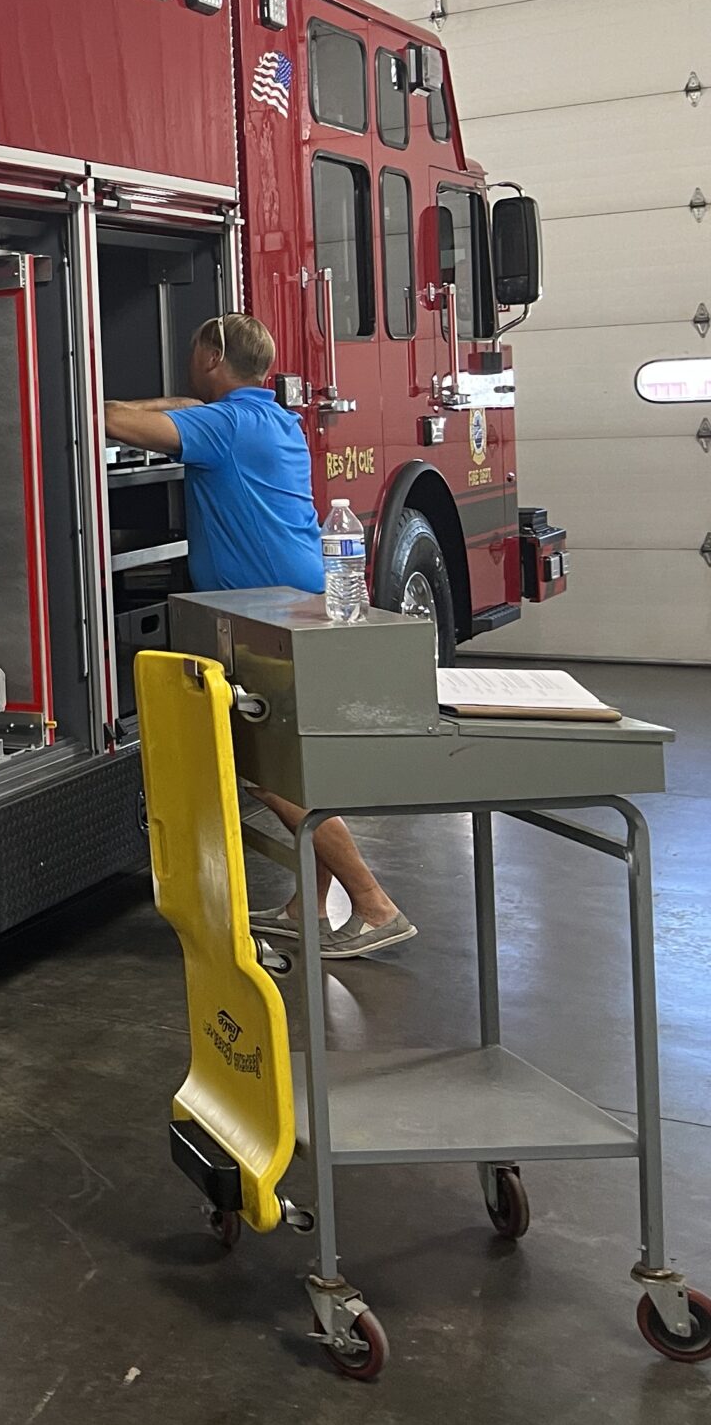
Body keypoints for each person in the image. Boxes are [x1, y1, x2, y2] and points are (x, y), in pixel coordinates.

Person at [105, 311, 416, 959]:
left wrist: (84, 390)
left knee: (266, 770)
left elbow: (110, 420)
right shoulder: (269, 417)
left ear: (213, 357)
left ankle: (373, 903)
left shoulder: (223, 426)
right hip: (302, 602)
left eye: (194, 351)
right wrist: (182, 402)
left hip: (270, 618)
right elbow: (188, 407)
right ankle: (310, 907)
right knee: (298, 764)